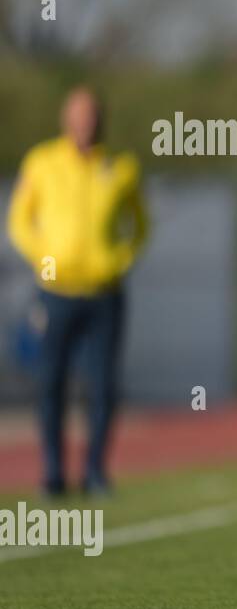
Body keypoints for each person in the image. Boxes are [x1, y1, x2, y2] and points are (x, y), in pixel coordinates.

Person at [6, 87, 149, 496]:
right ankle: (52, 471)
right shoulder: (42, 162)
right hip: (56, 292)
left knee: (103, 384)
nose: (86, 124)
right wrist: (44, 257)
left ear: (101, 121)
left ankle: (96, 472)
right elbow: (19, 220)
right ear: (66, 120)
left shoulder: (121, 168)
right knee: (51, 381)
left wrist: (121, 259)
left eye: (92, 116)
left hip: (105, 293)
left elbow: (141, 225)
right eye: (79, 116)